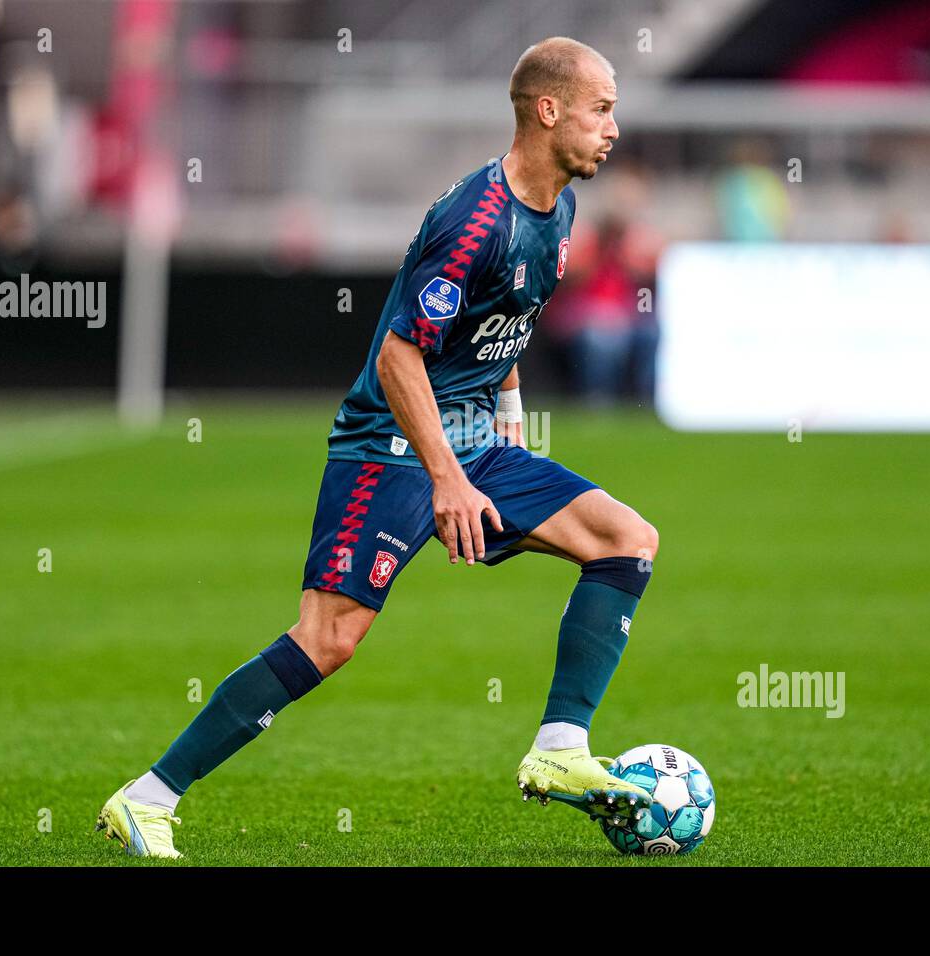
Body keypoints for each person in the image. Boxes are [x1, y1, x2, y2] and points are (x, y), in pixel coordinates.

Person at [95, 36, 659, 859]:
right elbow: (399, 354)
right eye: (601, 107)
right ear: (549, 110)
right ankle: (147, 798)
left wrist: (508, 413)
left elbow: (504, 324)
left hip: (472, 437)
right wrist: (448, 481)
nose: (614, 126)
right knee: (329, 638)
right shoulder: (475, 221)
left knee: (626, 541)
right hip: (391, 446)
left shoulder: (562, 207)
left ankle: (561, 750)